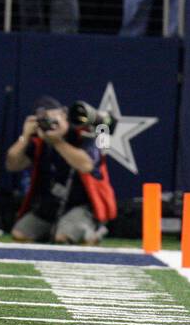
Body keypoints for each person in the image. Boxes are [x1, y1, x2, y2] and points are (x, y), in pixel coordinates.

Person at [7, 96, 116, 245]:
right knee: (20, 234)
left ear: (64, 114)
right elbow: (12, 165)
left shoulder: (85, 132)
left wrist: (57, 142)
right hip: (51, 204)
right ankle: (56, 230)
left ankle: (93, 231)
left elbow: (86, 165)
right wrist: (25, 136)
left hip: (83, 204)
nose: (51, 125)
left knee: (63, 237)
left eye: (53, 119)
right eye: (45, 121)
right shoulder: (40, 141)